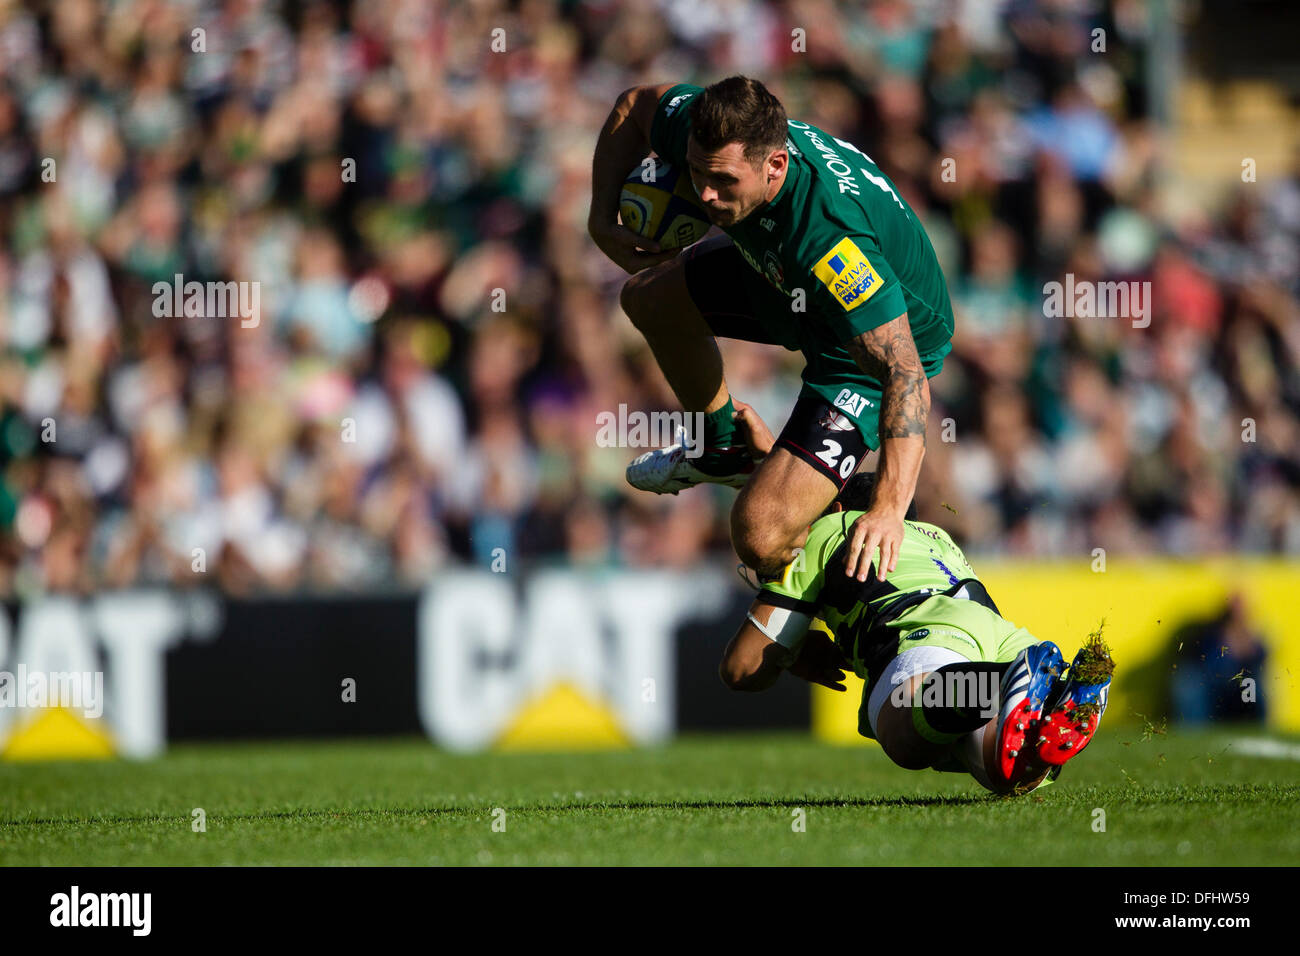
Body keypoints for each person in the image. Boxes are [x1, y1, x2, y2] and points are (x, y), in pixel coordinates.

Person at [589, 75, 954, 583]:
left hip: (869, 340)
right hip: (789, 274)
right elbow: (633, 106)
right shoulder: (708, 128)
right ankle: (719, 450)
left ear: (775, 165)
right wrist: (600, 215)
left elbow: (904, 369)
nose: (706, 195)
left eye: (723, 181)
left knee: (760, 537)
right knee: (649, 299)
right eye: (697, 172)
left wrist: (889, 509)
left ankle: (847, 571)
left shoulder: (830, 237)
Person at [714, 405, 1113, 794]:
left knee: (904, 738)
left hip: (927, 634)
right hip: (999, 636)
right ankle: (1050, 692)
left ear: (835, 508)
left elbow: (741, 668)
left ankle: (1009, 682)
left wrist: (788, 650)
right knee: (1005, 770)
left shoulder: (832, 528)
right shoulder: (934, 536)